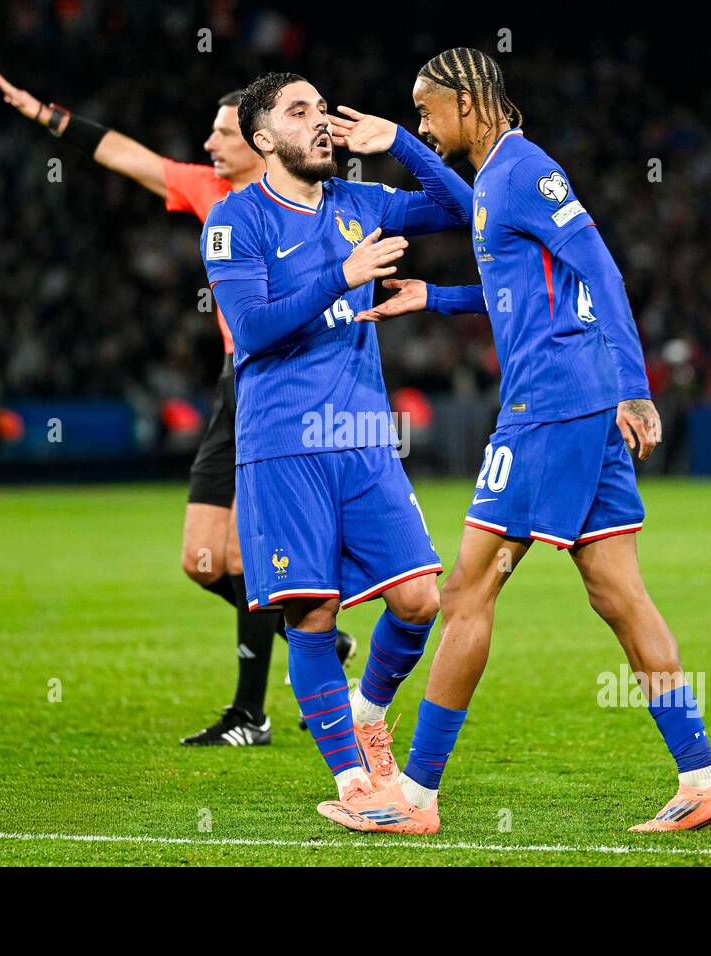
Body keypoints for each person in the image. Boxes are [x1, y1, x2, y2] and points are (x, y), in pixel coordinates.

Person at [318, 48, 711, 834]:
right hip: (575, 406)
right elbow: (520, 286)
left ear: (468, 103)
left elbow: (600, 269)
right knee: (618, 593)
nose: (419, 123)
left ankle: (412, 797)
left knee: (467, 593)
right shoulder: (501, 180)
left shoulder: (522, 172)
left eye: (424, 110)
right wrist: (435, 297)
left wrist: (635, 384)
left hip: (550, 409)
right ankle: (703, 777)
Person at [0, 70, 353, 747]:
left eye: (221, 133)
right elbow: (126, 155)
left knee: (246, 558)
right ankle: (314, 633)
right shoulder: (208, 189)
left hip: (282, 385)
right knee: (203, 562)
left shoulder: (309, 196)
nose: (208, 144)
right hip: (231, 385)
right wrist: (45, 115)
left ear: (258, 138)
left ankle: (251, 713)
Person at [201, 71, 473, 808]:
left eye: (323, 108)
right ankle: (353, 781)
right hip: (282, 445)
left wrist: (403, 144)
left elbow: (468, 211)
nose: (320, 120)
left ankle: (368, 714)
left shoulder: (361, 201)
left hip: (361, 438)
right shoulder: (235, 220)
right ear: (263, 140)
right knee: (312, 615)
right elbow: (252, 330)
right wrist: (341, 277)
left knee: (421, 599)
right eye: (300, 111)